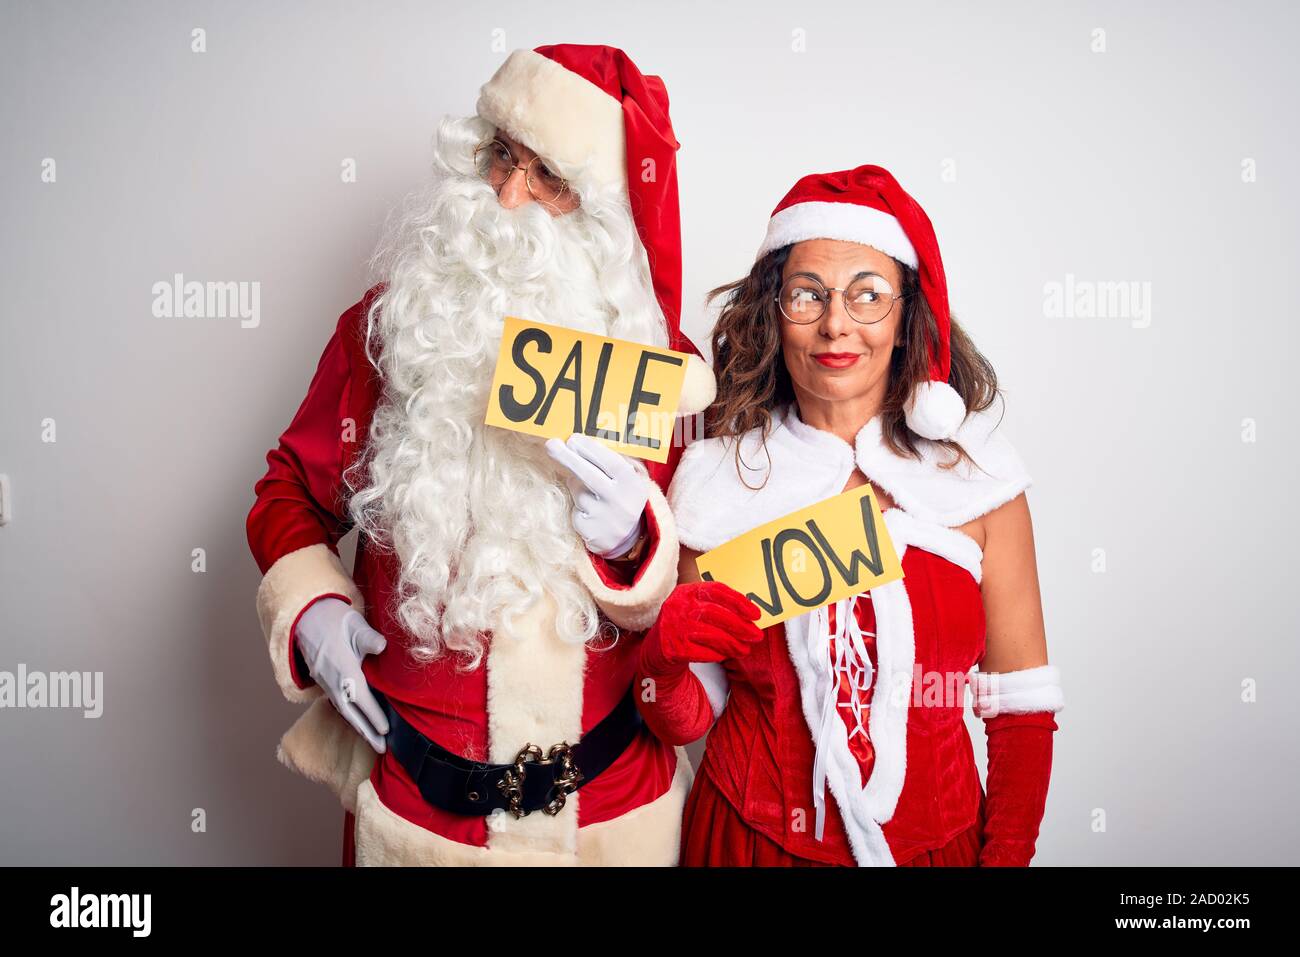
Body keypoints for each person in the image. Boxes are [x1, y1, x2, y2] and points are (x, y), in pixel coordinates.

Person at [245, 44, 715, 866]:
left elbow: (703, 607)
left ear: (605, 220)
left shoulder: (662, 376)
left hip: (608, 824)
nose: (506, 196)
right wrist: (313, 610)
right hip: (417, 825)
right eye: (503, 156)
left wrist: (636, 546)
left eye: (550, 179)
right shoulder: (392, 327)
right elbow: (288, 490)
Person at [636, 165, 1064, 866]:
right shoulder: (715, 480)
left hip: (939, 848)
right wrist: (662, 657)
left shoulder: (981, 476)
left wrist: (1008, 858)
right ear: (774, 313)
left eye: (868, 295)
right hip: (747, 844)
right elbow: (683, 717)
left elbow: (1021, 709)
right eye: (807, 295)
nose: (837, 323)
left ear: (906, 317)